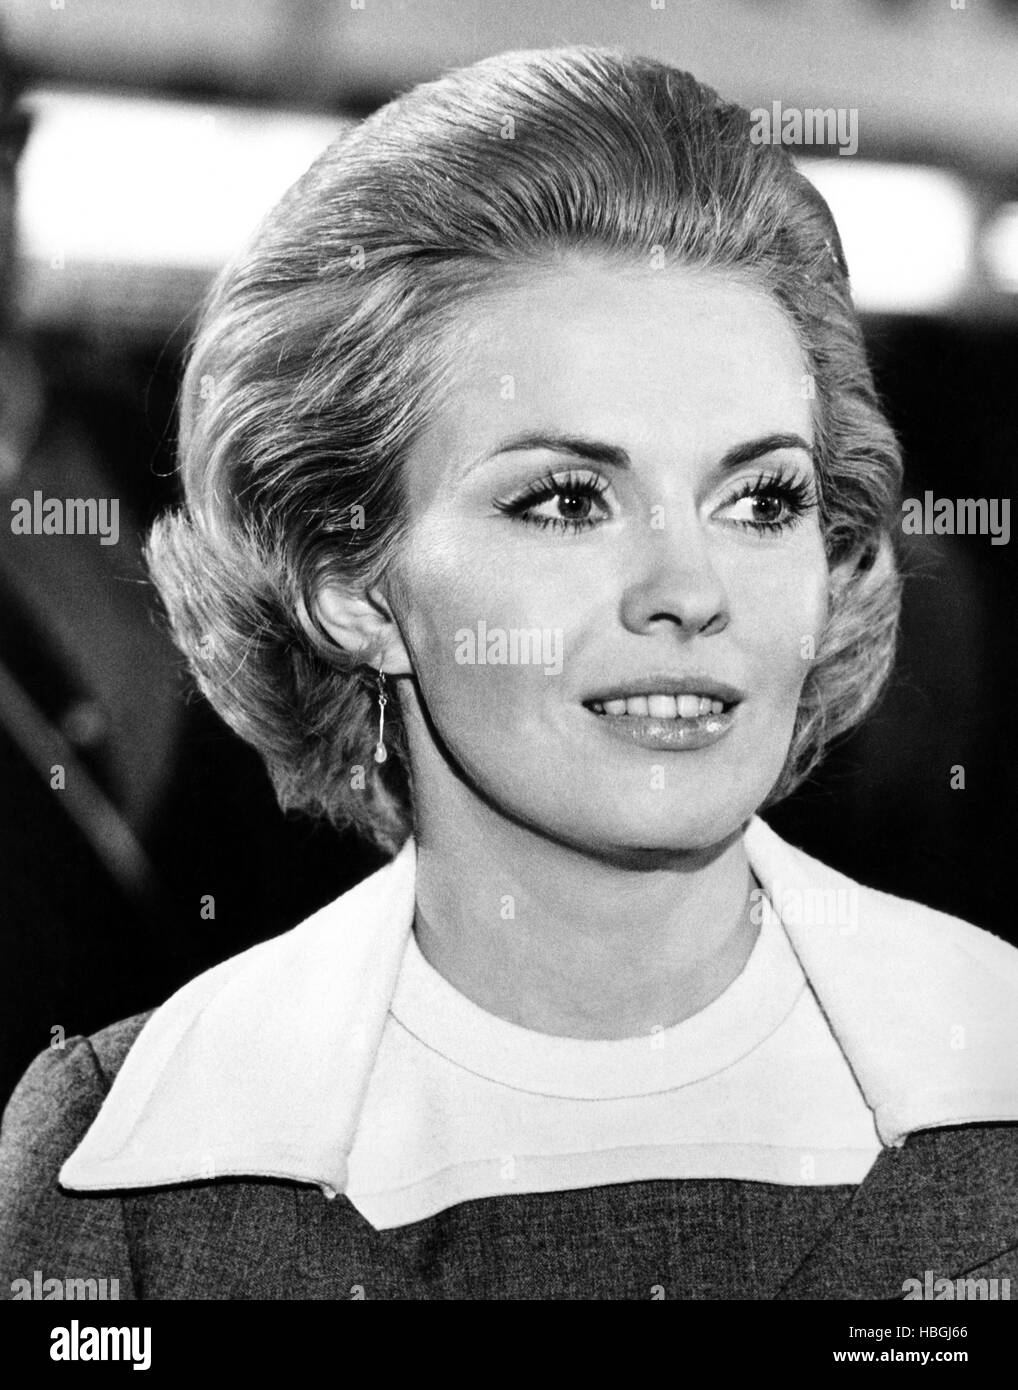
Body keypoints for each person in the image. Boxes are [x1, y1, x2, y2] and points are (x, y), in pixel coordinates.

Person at [2, 46, 1016, 1302]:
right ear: (349, 582)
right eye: (566, 499)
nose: (689, 589)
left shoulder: (994, 1074)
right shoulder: (121, 1161)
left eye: (761, 498)